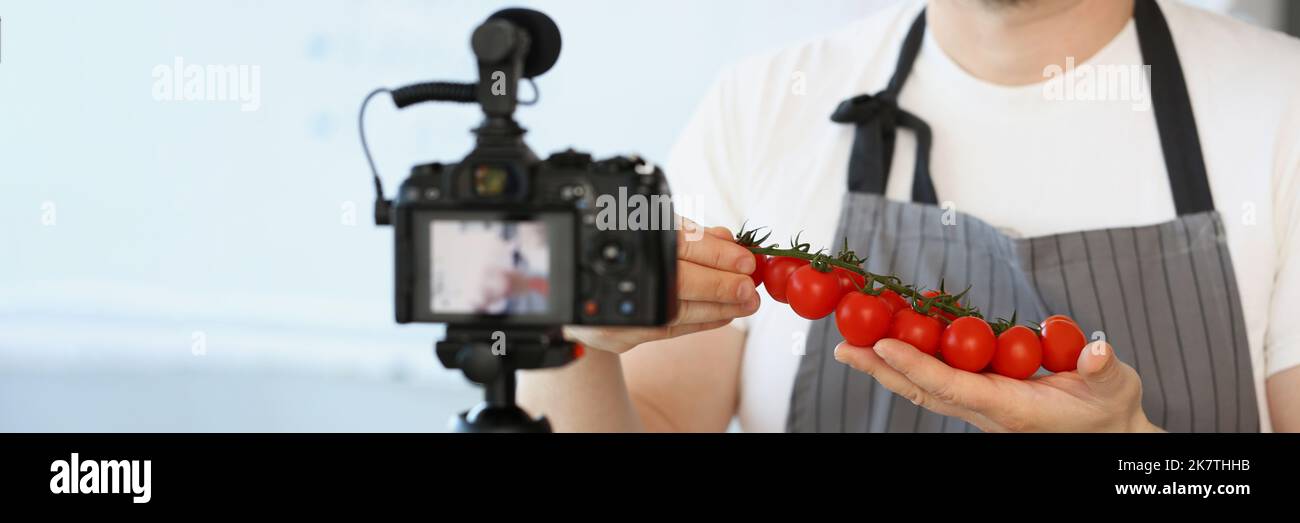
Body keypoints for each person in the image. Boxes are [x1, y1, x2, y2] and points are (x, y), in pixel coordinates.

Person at [518, 0, 1300, 432]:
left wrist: (1134, 453)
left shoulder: (1283, 103)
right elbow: (649, 420)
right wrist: (574, 342)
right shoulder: (759, 104)